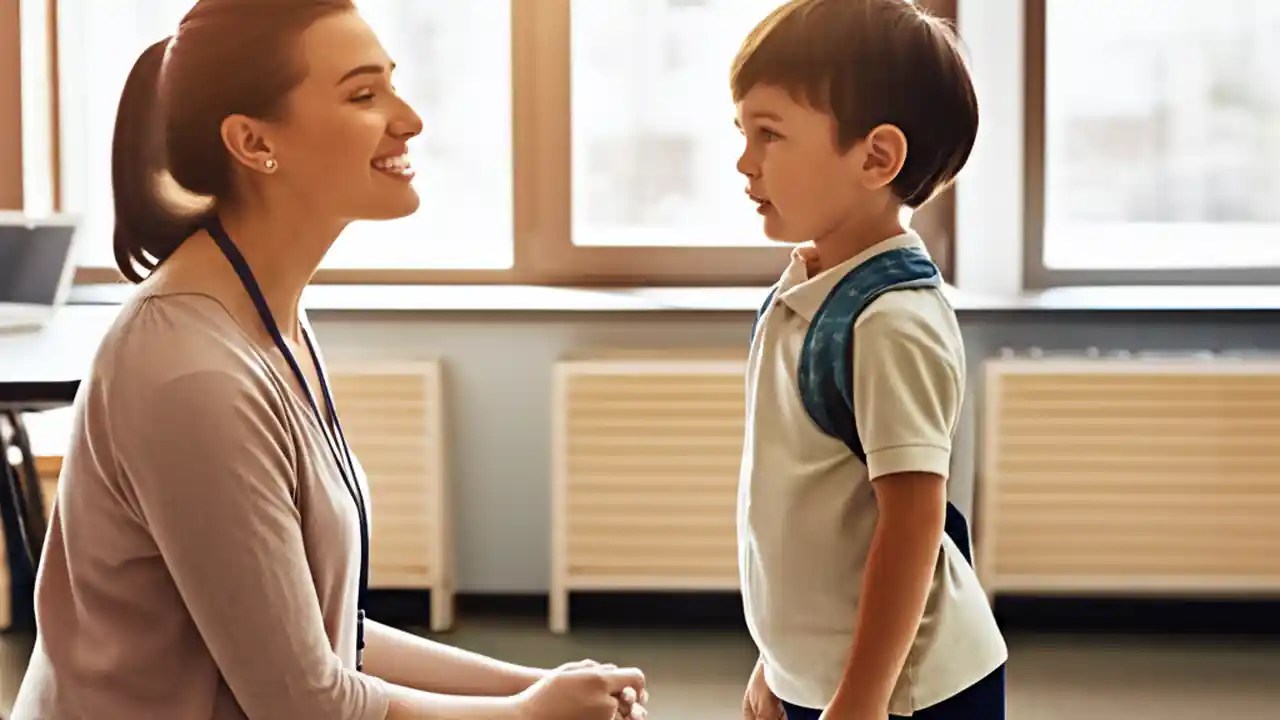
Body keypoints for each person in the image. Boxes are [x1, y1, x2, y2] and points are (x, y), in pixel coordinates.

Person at [11, 2, 646, 718]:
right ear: (253, 142)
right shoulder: (191, 373)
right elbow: (305, 704)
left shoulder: (263, 314)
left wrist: (531, 685)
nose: (409, 119)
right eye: (363, 94)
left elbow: (320, 640)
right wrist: (529, 714)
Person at [731, 1, 1007, 719]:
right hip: (825, 677)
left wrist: (859, 699)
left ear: (876, 158)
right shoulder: (808, 287)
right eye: (742, 132)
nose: (743, 162)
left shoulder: (892, 321)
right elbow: (813, 513)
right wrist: (779, 660)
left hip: (904, 693)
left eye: (769, 134)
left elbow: (914, 526)